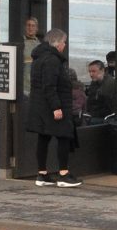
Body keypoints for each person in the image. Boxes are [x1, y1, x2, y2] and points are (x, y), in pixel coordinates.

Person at [28, 28, 80, 186]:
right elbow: (49, 86)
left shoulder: (38, 58)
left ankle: (42, 174)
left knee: (43, 137)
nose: (65, 45)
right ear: (57, 43)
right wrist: (56, 107)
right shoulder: (52, 60)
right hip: (53, 106)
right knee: (64, 136)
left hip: (40, 106)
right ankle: (63, 174)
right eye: (64, 42)